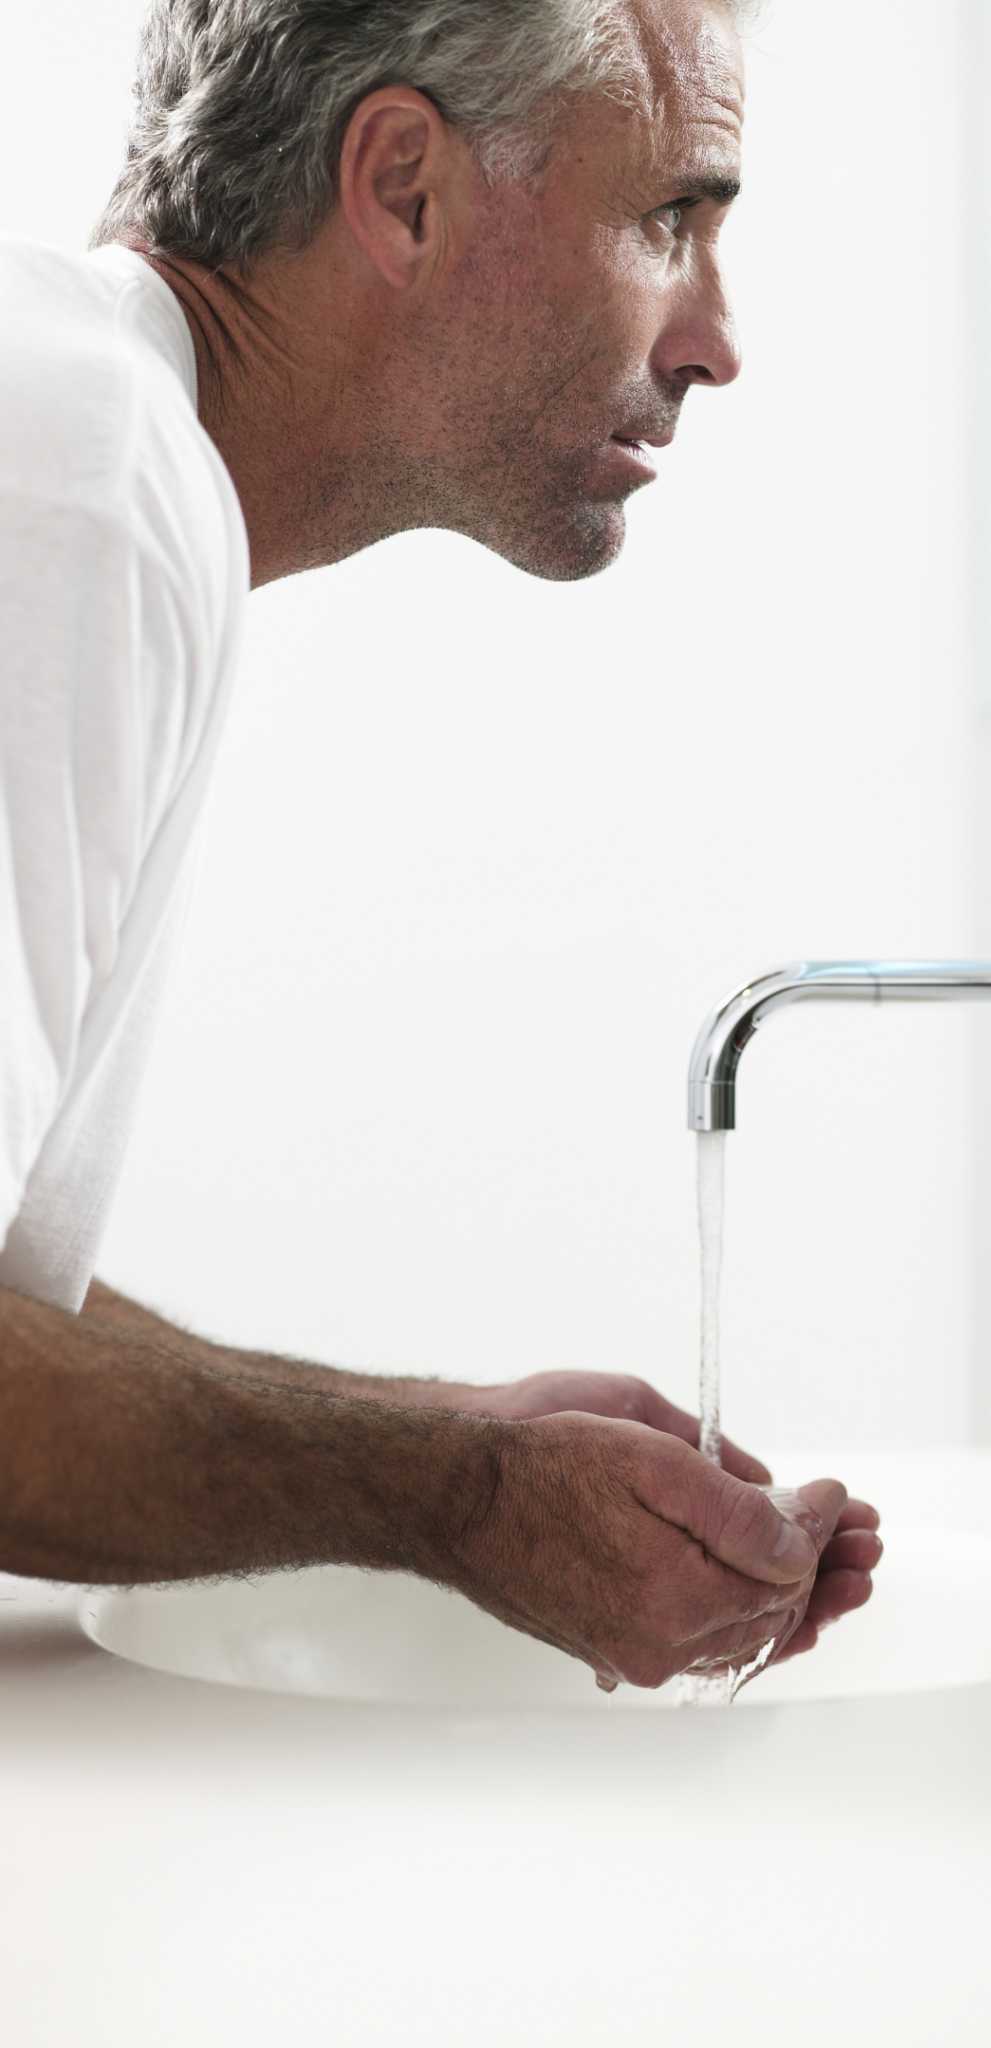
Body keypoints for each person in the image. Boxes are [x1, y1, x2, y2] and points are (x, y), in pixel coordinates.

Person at [0, 0, 881, 1694]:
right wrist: (462, 1497)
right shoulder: (86, 482)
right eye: (669, 218)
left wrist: (444, 1429)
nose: (713, 342)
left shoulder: (85, 434)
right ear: (401, 186)